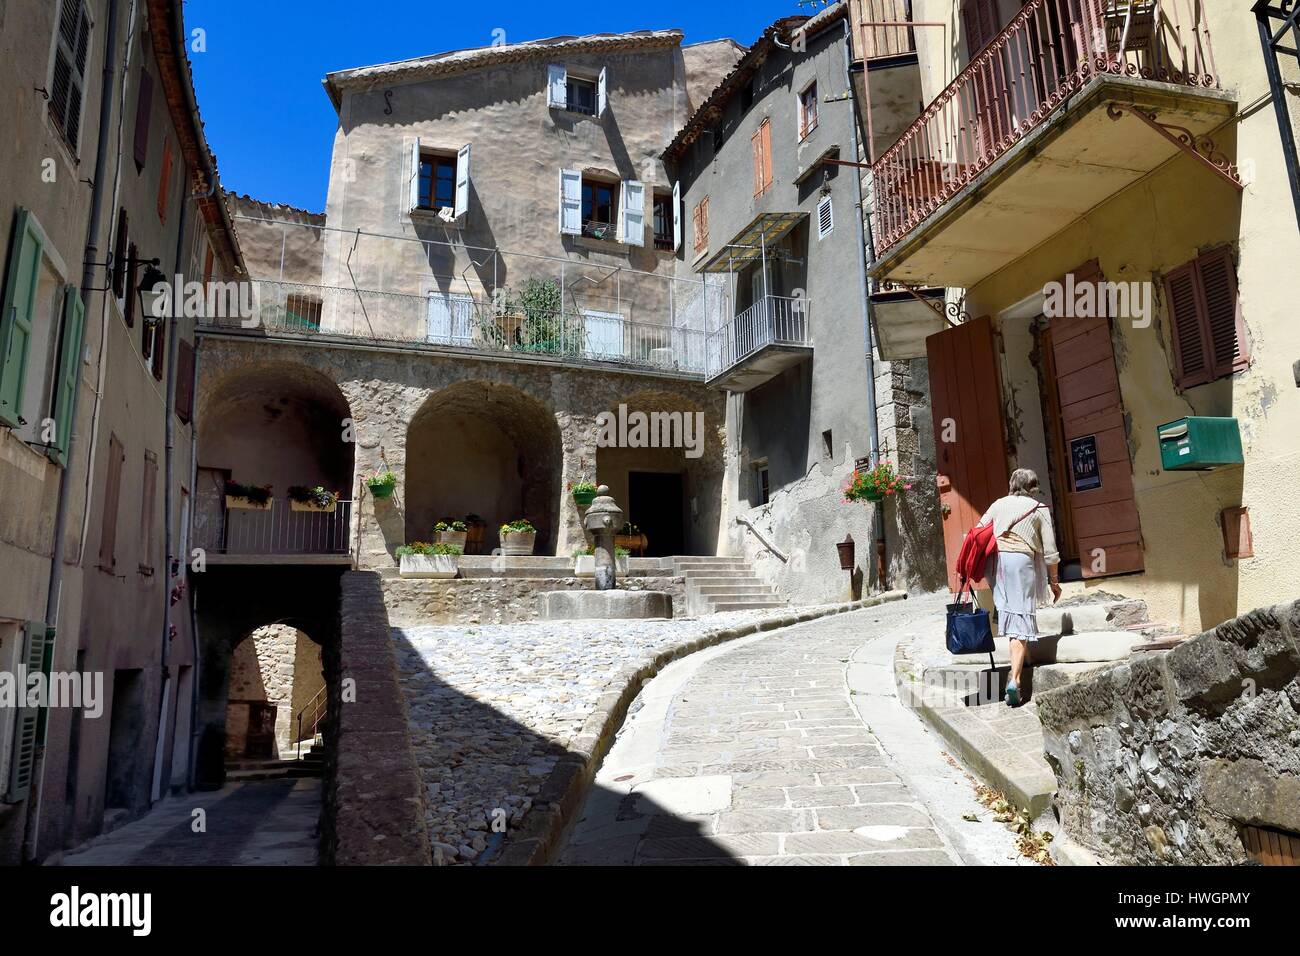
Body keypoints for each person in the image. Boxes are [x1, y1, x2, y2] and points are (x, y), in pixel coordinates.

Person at [976, 468, 1061, 707]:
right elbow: (1051, 552)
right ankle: (1014, 680)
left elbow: (980, 529)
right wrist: (1054, 583)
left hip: (997, 564)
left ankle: (1021, 664)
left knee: (1012, 617)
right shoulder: (1039, 509)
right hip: (1020, 562)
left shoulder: (998, 504)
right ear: (1032, 487)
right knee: (1020, 620)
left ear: (1012, 484)